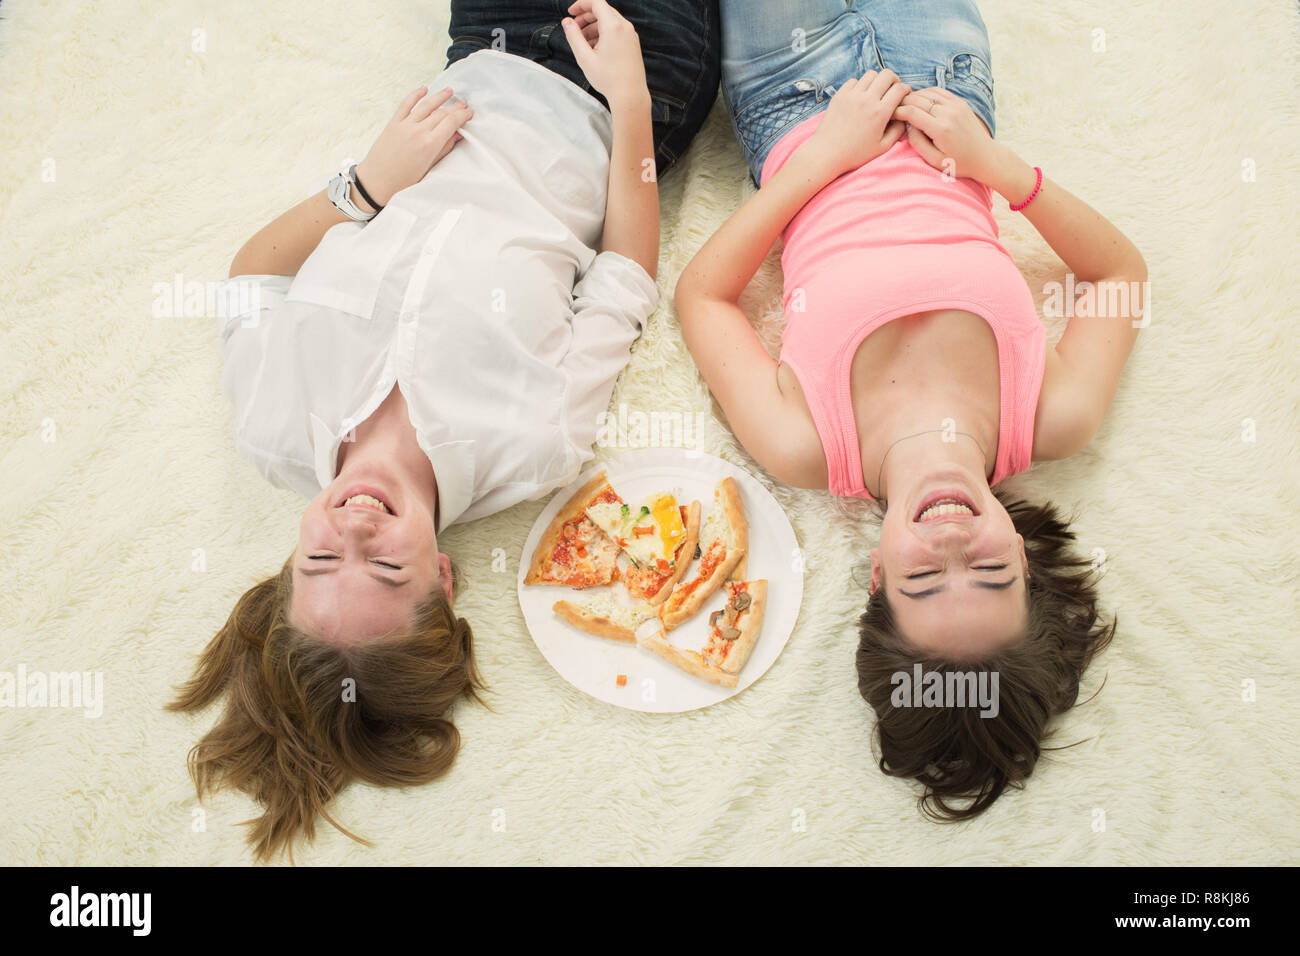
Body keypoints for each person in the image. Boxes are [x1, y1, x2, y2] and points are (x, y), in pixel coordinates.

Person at [170, 0, 721, 861]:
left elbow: (251, 279)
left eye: (320, 558)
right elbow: (623, 276)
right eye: (384, 564)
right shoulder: (535, 446)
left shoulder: (271, 422)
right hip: (619, 87)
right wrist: (633, 101)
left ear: (287, 562)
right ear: (445, 576)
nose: (353, 526)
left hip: (484, 47)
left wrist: (366, 186)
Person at [675, 0, 1145, 819]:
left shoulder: (806, 445)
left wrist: (820, 159)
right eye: (991, 571)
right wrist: (997, 167)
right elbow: (1122, 277)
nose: (954, 541)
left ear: (877, 576)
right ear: (1026, 564)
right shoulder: (1054, 415)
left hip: (795, 102)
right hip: (947, 89)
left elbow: (704, 298)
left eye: (927, 579)